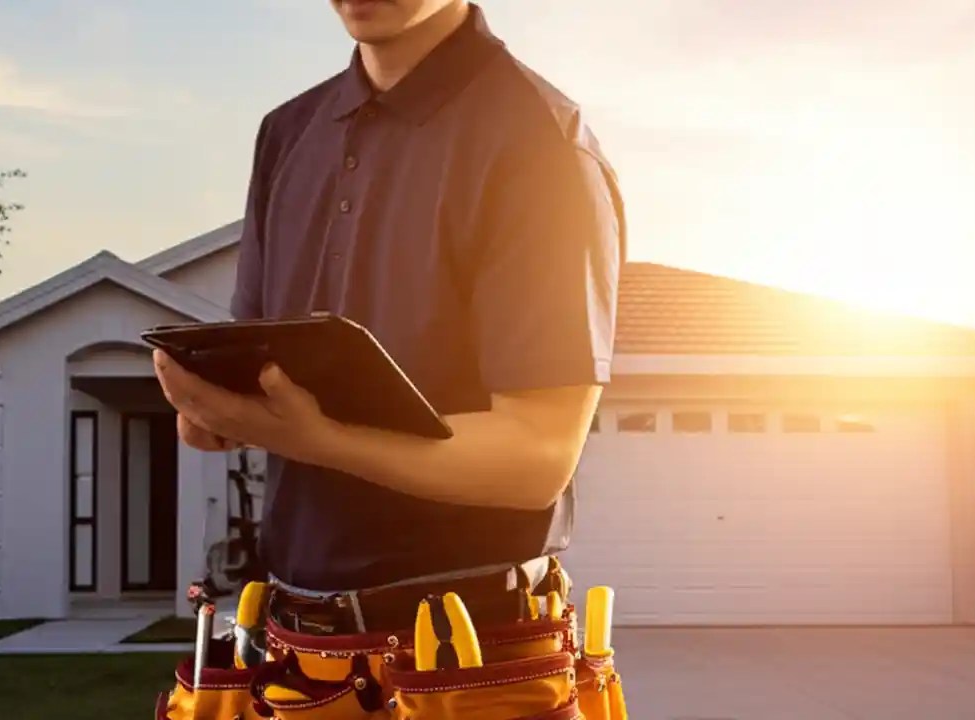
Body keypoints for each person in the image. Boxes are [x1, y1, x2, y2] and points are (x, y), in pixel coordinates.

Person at [153, 1, 625, 716]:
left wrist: (314, 439)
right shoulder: (288, 133)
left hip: (471, 664)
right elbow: (258, 370)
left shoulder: (540, 140)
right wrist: (217, 411)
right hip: (295, 658)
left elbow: (537, 457)